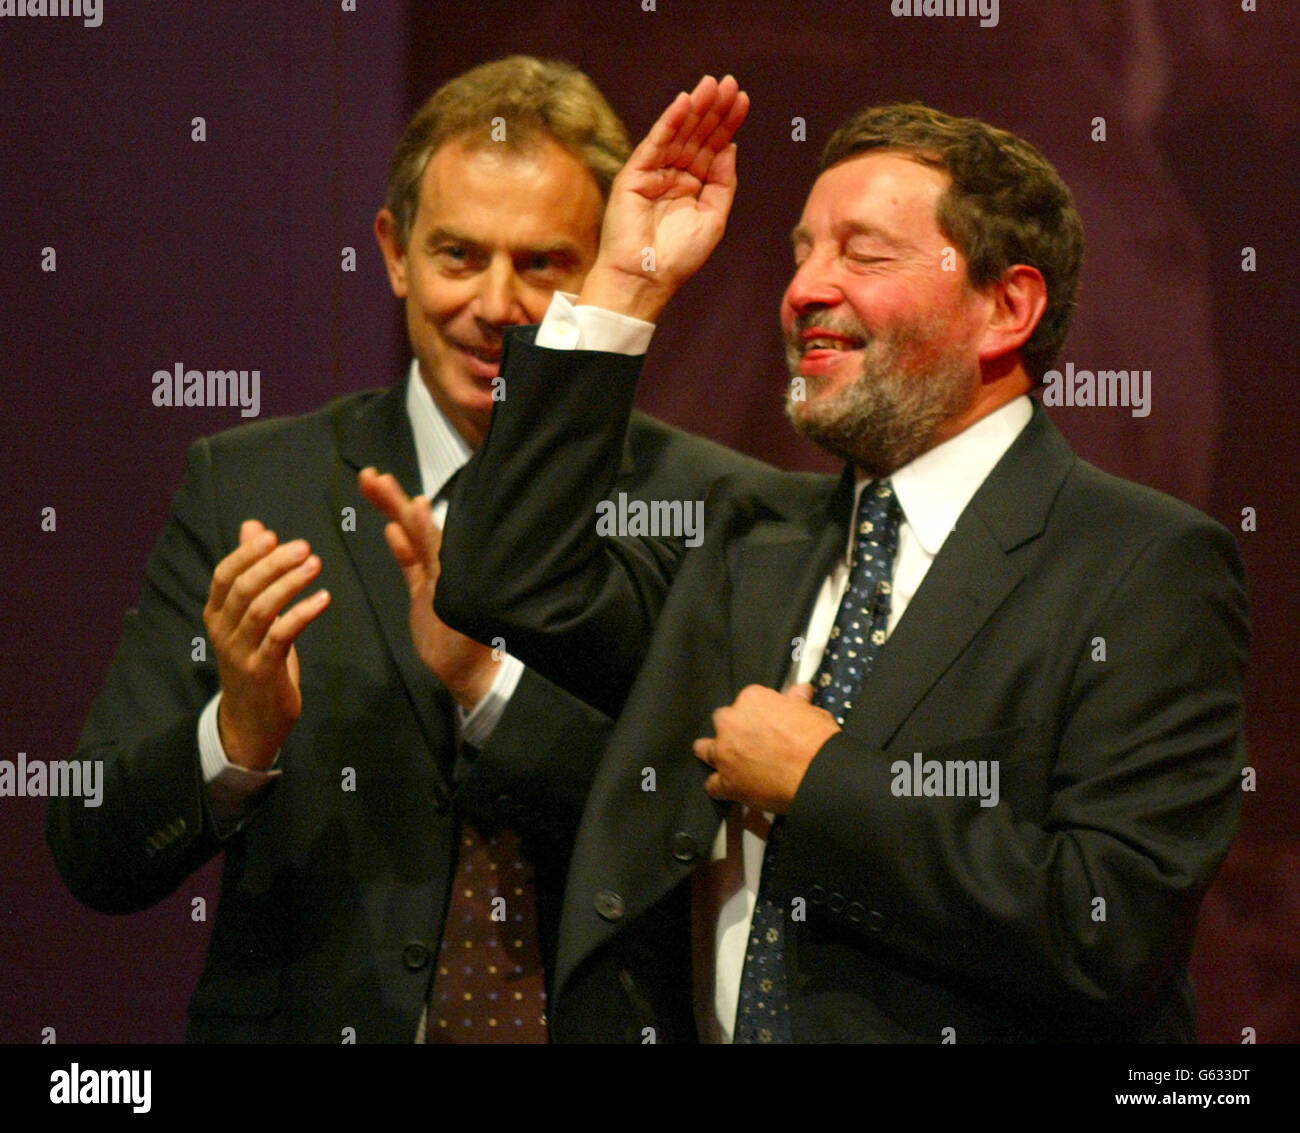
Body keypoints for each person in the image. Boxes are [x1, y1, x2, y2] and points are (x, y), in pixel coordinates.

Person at [435, 76, 1251, 1042]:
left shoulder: (1144, 565)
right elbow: (504, 579)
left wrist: (823, 786)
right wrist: (627, 285)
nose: (803, 290)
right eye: (801, 253)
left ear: (1007, 307)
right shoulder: (743, 534)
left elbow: (1106, 928)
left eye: (862, 253)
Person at [46, 57, 765, 1043]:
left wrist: (484, 686)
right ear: (393, 252)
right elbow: (95, 849)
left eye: (545, 263)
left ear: (605, 256)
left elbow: (694, 836)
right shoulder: (253, 485)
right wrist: (237, 733)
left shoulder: (704, 503)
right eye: (459, 255)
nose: (496, 303)